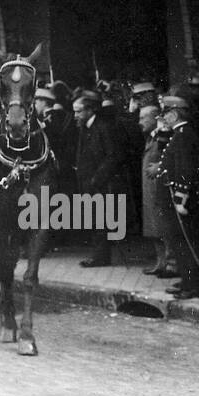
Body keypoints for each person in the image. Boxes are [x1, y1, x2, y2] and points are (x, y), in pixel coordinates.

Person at [156, 89, 199, 299]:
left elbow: (185, 171)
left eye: (166, 113)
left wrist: (180, 198)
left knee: (184, 241)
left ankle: (192, 285)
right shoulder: (180, 134)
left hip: (179, 199)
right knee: (181, 241)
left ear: (175, 114)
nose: (164, 117)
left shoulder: (183, 136)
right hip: (175, 197)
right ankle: (188, 280)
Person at [74, 90, 122, 267]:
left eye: (79, 111)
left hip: (99, 182)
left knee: (99, 220)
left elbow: (112, 155)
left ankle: (101, 257)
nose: (76, 115)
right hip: (88, 181)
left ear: (90, 110)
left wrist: (97, 178)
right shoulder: (85, 128)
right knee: (93, 219)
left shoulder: (103, 127)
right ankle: (98, 255)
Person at [139, 104, 177, 277]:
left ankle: (172, 263)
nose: (140, 122)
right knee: (154, 227)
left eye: (143, 118)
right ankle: (161, 262)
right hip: (150, 190)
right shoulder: (151, 137)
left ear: (155, 119)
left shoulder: (165, 137)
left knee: (164, 227)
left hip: (159, 189)